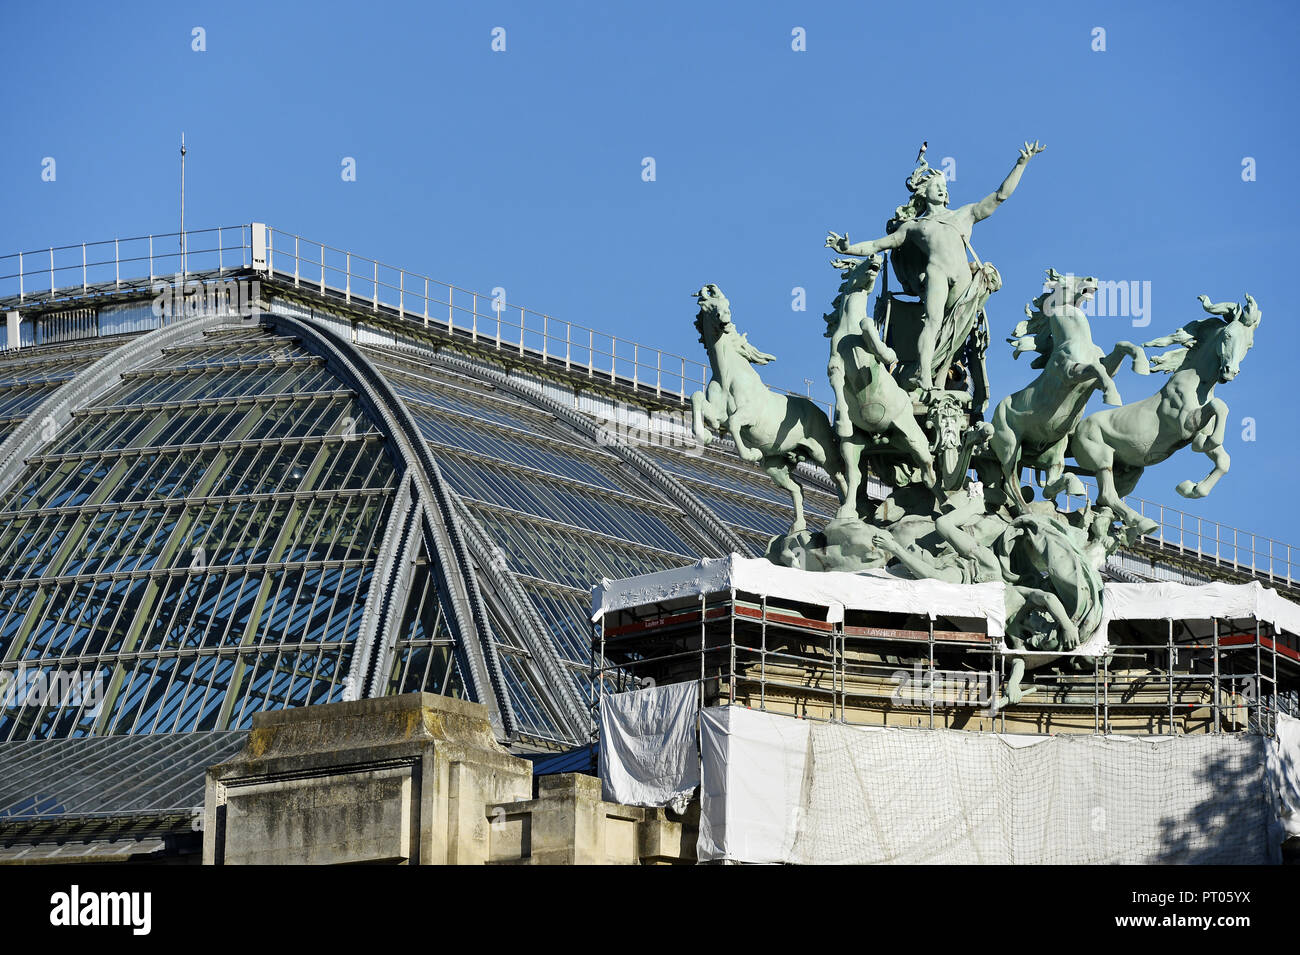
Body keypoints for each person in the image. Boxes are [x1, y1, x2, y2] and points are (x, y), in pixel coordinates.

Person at [827, 140, 1044, 391]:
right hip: (937, 274)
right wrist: (847, 249)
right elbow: (877, 245)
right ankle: (925, 376)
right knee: (932, 323)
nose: (941, 190)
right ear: (923, 192)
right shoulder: (915, 226)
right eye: (935, 186)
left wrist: (1021, 164)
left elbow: (999, 196)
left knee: (958, 330)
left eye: (943, 186)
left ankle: (948, 370)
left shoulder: (964, 214)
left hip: (964, 279)